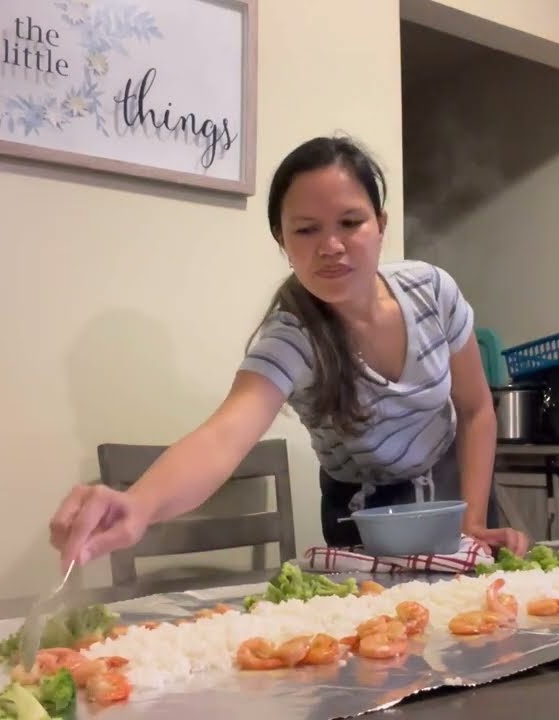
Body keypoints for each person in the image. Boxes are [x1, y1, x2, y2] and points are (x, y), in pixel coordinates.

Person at [48, 135, 530, 569]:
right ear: (283, 241)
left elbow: (475, 409)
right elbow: (222, 438)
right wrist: (139, 504)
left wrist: (469, 519)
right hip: (364, 513)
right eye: (306, 230)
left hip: (455, 490)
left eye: (350, 222)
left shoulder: (432, 291)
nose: (332, 246)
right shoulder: (292, 338)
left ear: (380, 225)